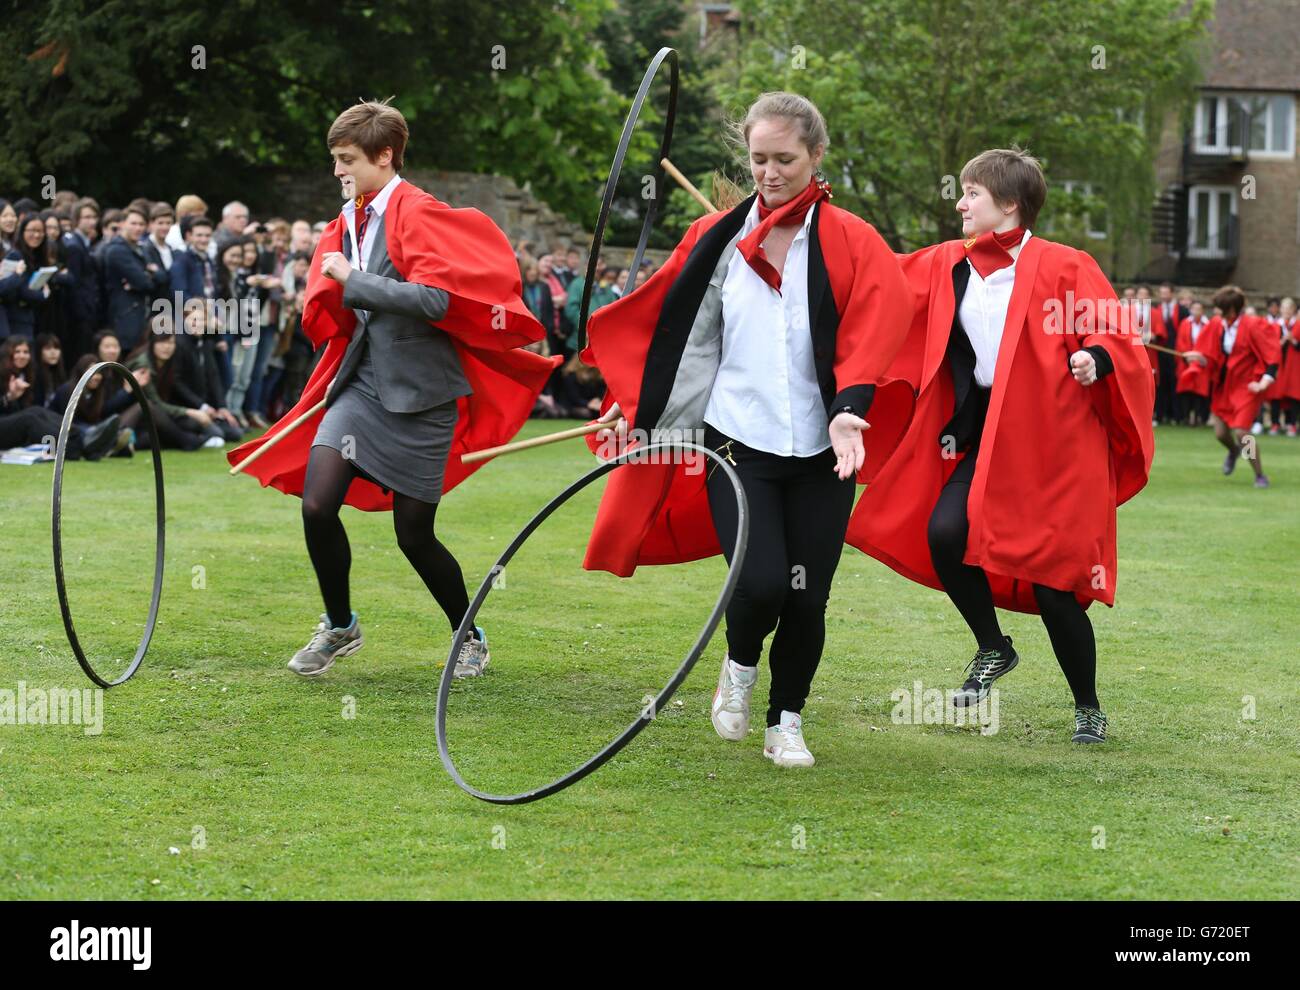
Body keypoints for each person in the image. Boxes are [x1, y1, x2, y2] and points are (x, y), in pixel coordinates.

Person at [583, 92, 915, 768]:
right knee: (761, 580)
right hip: (735, 441)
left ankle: (785, 720)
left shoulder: (852, 240)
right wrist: (635, 400)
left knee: (806, 596)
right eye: (759, 159)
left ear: (816, 156)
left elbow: (878, 323)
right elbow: (669, 330)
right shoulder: (717, 240)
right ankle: (738, 667)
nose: (769, 172)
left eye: (785, 160)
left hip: (825, 450)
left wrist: (850, 406)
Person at [225, 98, 556, 679]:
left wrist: (357, 280)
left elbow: (437, 301)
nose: (337, 171)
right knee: (317, 502)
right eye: (334, 159)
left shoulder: (419, 212)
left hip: (423, 397)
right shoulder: (350, 215)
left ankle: (468, 634)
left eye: (346, 159)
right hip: (359, 387)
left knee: (414, 535)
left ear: (384, 156)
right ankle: (338, 624)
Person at [846, 147, 1155, 745]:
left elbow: (1111, 328)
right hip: (982, 430)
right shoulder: (945, 263)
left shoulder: (1068, 265)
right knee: (944, 533)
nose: (959, 203)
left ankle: (1087, 706)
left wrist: (1095, 355)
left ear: (1008, 205)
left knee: (1053, 582)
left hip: (1055, 441)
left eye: (972, 194)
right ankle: (993, 647)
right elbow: (874, 282)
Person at [1182, 285, 1280, 488]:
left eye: (1219, 308)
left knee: (1242, 433)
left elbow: (1272, 356)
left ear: (1232, 310)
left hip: (1247, 385)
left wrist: (1263, 382)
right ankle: (1234, 451)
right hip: (1224, 385)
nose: (1215, 312)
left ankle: (1259, 474)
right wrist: (1198, 358)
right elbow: (1210, 356)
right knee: (1220, 432)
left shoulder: (1254, 325)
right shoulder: (1217, 325)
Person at [104, 206, 167, 351]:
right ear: (123, 224)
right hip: (126, 318)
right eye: (133, 223)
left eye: (141, 224)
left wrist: (150, 275)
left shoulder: (143, 249)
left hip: (143, 316)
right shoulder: (117, 250)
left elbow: (162, 277)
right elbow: (145, 283)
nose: (138, 228)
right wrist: (149, 274)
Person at [1174, 300, 1216, 426]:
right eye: (1194, 309)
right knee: (1186, 390)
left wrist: (1200, 357)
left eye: (1199, 309)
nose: (1196, 311)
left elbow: (1210, 343)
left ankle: (1199, 416)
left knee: (1200, 392)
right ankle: (1185, 416)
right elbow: (1181, 341)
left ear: (1203, 311)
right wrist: (1187, 356)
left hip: (1202, 362)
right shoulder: (1185, 323)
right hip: (1186, 361)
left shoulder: (1208, 324)